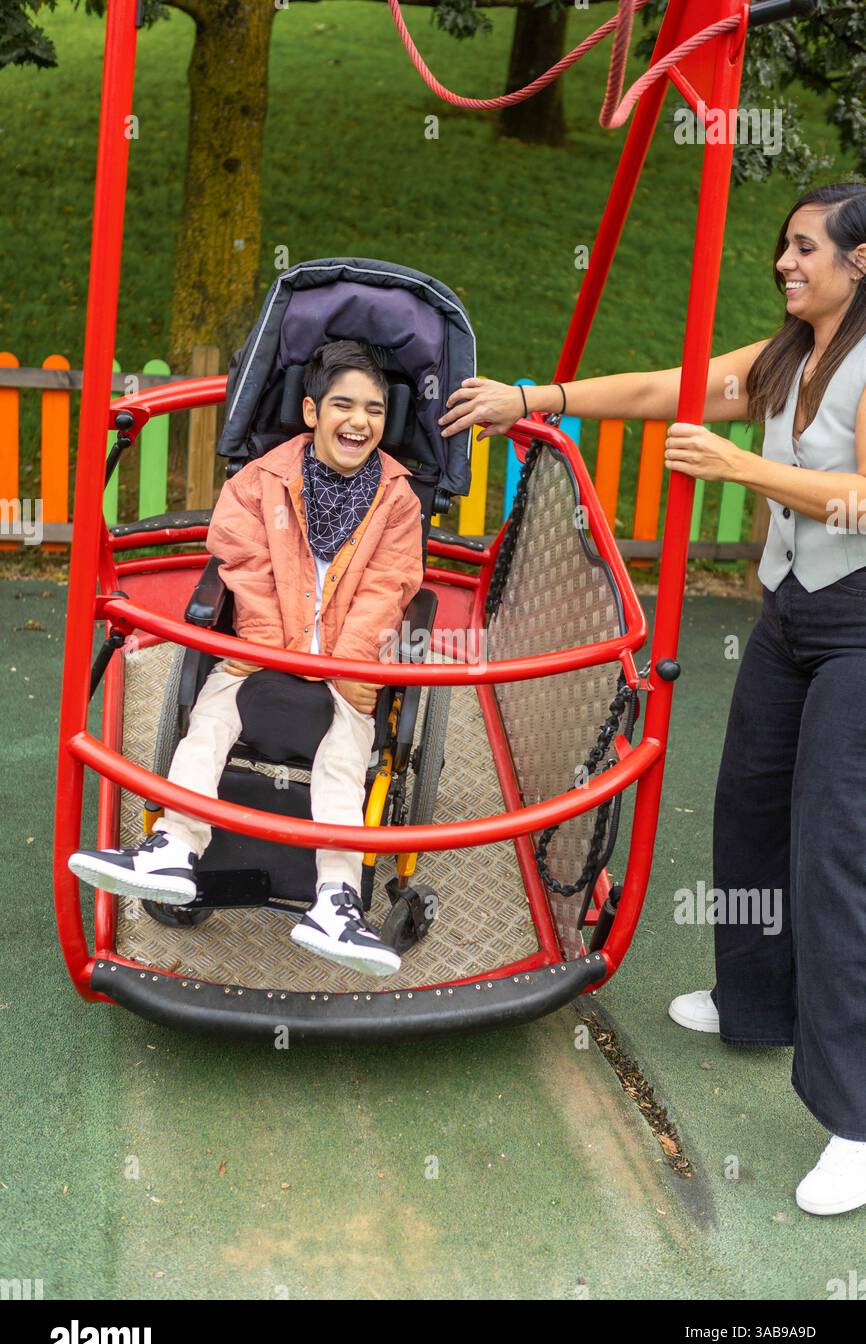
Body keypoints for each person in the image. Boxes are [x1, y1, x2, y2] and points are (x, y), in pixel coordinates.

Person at [438, 183, 866, 1216]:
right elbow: (664, 389)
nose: (782, 263)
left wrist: (737, 467)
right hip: (789, 613)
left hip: (857, 626)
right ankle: (752, 1000)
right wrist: (533, 400)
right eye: (781, 246)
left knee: (830, 849)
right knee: (747, 802)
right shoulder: (783, 359)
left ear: (859, 262)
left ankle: (853, 1121)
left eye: (803, 249)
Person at [69, 339, 424, 979]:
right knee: (210, 720)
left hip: (348, 666)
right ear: (311, 411)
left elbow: (387, 589)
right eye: (342, 404)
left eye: (373, 410)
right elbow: (244, 563)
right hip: (261, 651)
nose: (358, 421)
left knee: (346, 757)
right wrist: (267, 648)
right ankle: (173, 847)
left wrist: (348, 671)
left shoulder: (397, 500)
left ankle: (337, 901)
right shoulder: (259, 481)